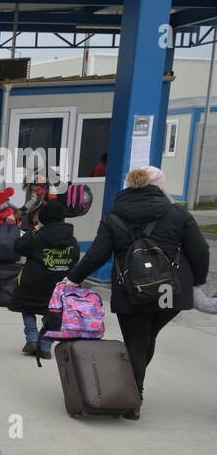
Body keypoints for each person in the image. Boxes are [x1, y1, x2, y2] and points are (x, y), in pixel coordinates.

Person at [65, 166, 209, 417]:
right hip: (169, 291)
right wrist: (197, 282)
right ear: (160, 187)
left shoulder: (114, 216)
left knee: (137, 341)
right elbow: (200, 251)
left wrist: (73, 279)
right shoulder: (178, 214)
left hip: (131, 290)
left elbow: (98, 254)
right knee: (147, 338)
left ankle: (133, 399)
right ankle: (133, 392)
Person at [10, 199, 79, 359]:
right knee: (54, 313)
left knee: (27, 307)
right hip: (58, 285)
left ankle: (32, 338)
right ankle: (46, 345)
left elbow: (19, 247)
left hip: (33, 281)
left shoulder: (37, 235)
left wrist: (33, 230)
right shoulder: (71, 239)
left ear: (43, 218)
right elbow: (75, 258)